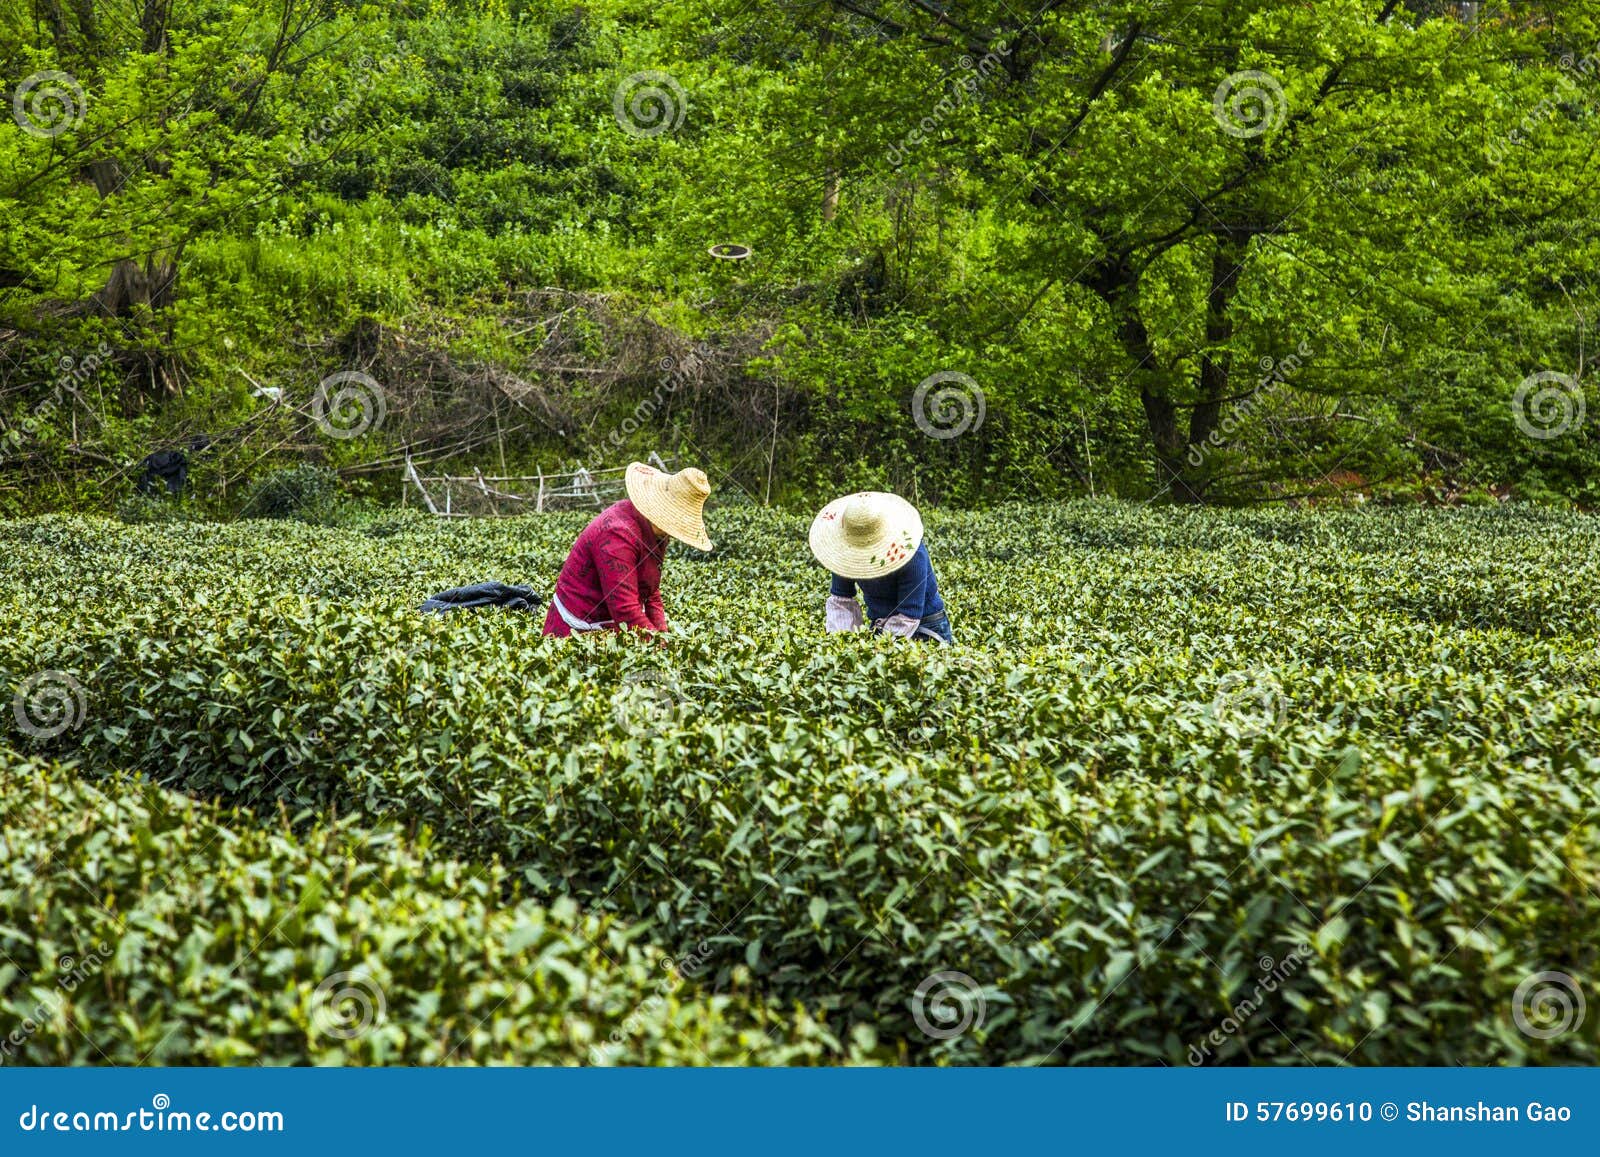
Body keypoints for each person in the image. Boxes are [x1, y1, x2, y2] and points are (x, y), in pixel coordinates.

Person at [542, 462, 713, 636]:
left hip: (611, 624)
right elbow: (625, 610)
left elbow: (651, 592)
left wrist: (663, 634)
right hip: (575, 632)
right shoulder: (618, 534)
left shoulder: (658, 532)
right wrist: (660, 646)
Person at [809, 491, 952, 644]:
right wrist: (845, 644)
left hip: (925, 626)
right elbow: (841, 600)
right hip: (880, 624)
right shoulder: (844, 554)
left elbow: (909, 614)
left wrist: (877, 647)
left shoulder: (912, 554)